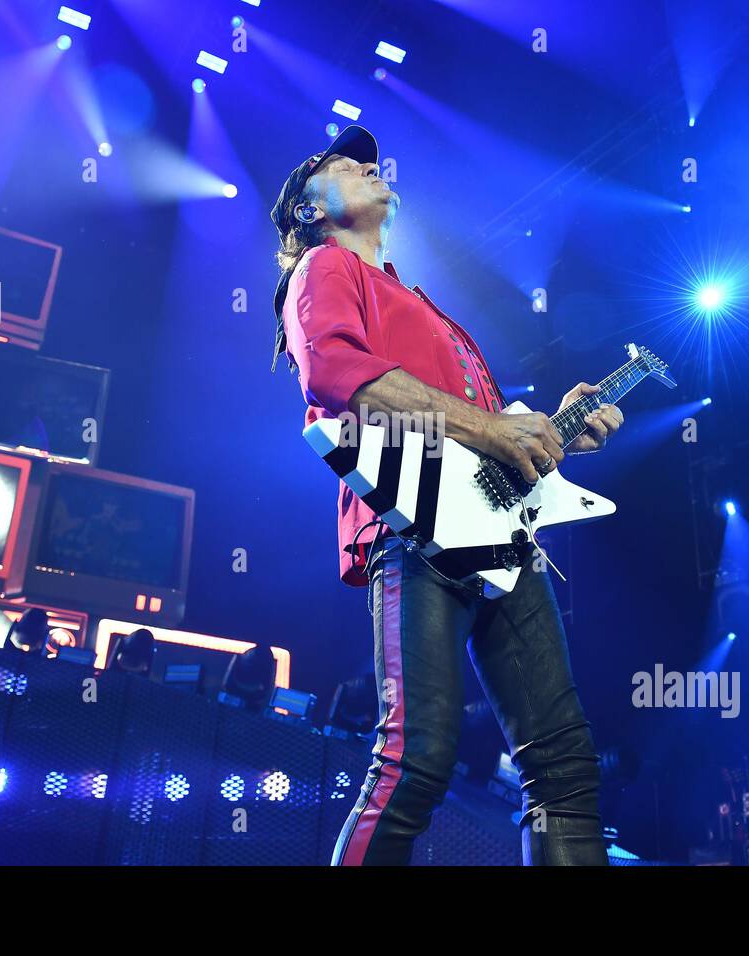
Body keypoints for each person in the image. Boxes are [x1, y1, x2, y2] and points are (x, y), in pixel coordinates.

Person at [271, 126, 623, 865]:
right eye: (345, 163)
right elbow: (335, 373)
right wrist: (495, 431)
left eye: (369, 160)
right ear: (309, 210)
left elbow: (493, 447)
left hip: (502, 538)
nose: (368, 165)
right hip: (414, 526)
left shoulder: (420, 302)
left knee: (565, 770)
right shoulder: (323, 267)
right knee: (417, 757)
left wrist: (555, 436)